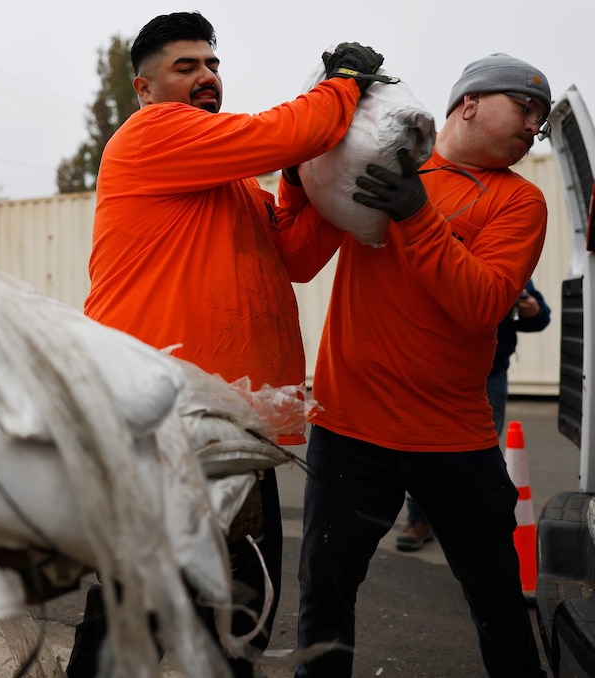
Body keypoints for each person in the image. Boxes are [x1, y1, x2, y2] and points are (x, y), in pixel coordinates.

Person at [66, 10, 388, 677]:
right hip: (162, 420)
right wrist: (345, 84)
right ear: (145, 87)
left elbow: (293, 257)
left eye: (213, 64)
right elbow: (284, 130)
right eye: (187, 66)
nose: (208, 77)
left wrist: (303, 184)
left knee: (237, 609)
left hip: (231, 426)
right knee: (138, 604)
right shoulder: (152, 133)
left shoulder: (234, 179)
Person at [294, 53, 552, 677]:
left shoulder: (520, 203)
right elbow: (298, 257)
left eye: (541, 121)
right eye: (525, 108)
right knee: (324, 605)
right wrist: (303, 165)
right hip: (350, 429)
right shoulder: (385, 161)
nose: (532, 127)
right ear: (470, 103)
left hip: (452, 437)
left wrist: (416, 215)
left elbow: (482, 304)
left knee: (498, 604)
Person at [397, 279, 552, 552]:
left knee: (478, 455)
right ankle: (420, 519)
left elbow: (539, 316)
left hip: (489, 375)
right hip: (433, 372)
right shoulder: (434, 253)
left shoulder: (499, 256)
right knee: (423, 448)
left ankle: (471, 528)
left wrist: (533, 309)